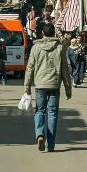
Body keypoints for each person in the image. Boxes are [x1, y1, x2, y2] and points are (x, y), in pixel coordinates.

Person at [23, 21, 72, 152]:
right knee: (53, 114)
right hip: (55, 84)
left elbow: (30, 68)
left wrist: (27, 87)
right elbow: (65, 70)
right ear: (53, 33)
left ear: (42, 33)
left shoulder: (36, 48)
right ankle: (50, 145)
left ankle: (39, 133)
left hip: (40, 84)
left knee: (40, 111)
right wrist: (68, 88)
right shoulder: (60, 48)